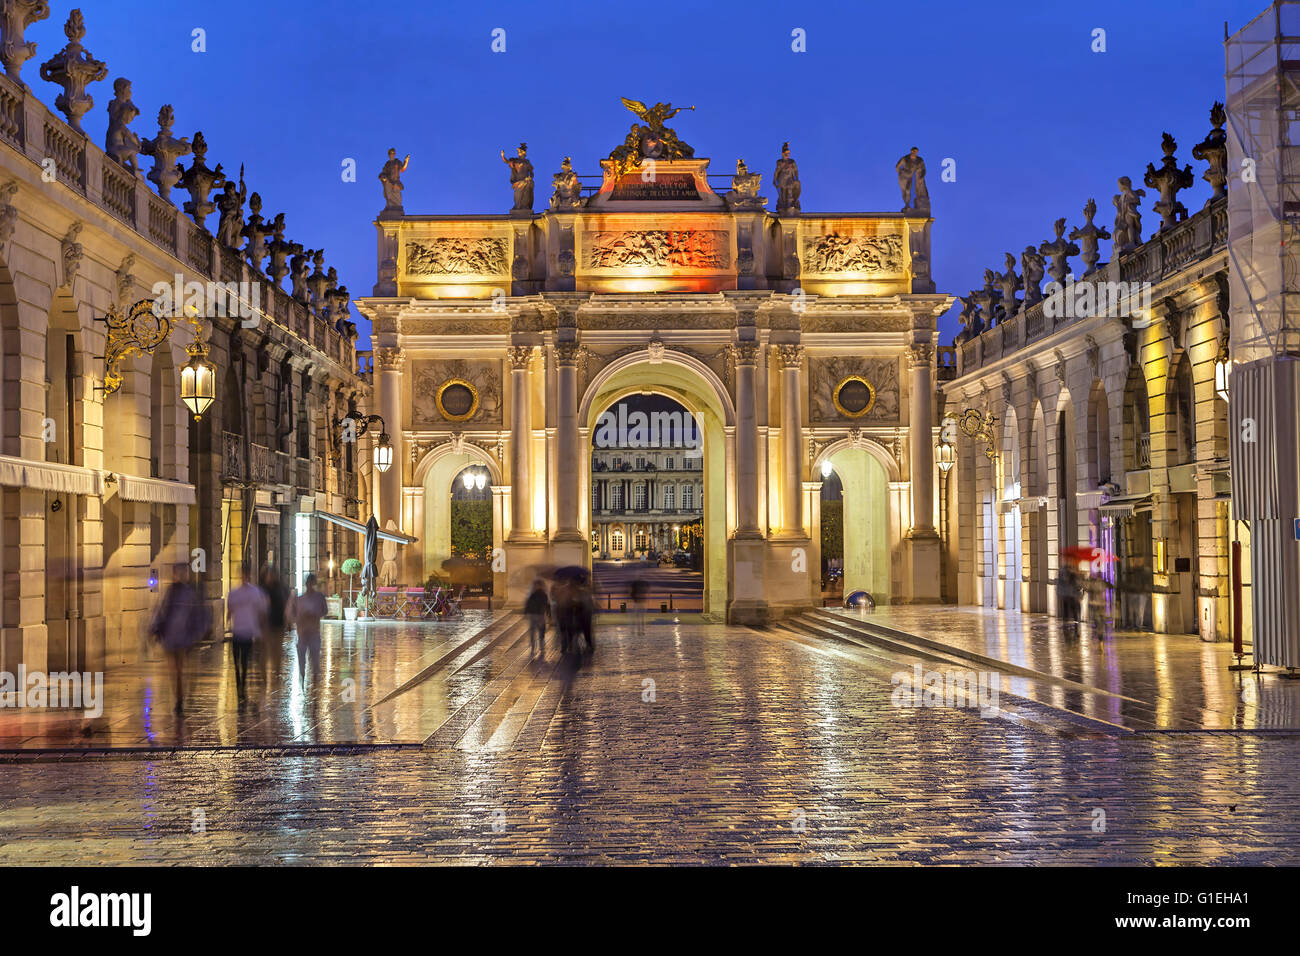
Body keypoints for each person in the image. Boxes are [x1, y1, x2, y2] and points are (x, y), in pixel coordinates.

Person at [150, 563, 206, 714]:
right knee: (174, 671)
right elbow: (160, 610)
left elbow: (197, 613)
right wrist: (155, 629)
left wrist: (197, 632)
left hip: (184, 637)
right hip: (171, 637)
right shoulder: (170, 592)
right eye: (179, 573)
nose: (181, 576)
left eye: (183, 573)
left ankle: (182, 697)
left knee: (180, 670)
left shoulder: (189, 592)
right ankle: (179, 698)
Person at [226, 561, 268, 705]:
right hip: (237, 631)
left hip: (248, 632)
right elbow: (230, 610)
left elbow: (262, 611)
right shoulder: (235, 593)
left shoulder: (254, 592)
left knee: (243, 661)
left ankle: (242, 685)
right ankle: (240, 684)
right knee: (237, 662)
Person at [288, 573, 328, 688]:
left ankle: (314, 681)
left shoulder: (319, 597)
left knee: (315, 658)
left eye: (312, 583)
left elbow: (325, 611)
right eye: (309, 583)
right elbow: (293, 615)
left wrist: (314, 615)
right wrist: (298, 618)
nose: (310, 585)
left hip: (314, 632)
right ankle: (302, 678)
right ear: (306, 584)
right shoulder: (300, 599)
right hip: (302, 633)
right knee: (302, 658)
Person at [260, 565, 288, 689]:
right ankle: (264, 677)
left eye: (272, 574)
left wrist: (287, 621)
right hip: (265, 625)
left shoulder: (281, 589)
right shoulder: (262, 589)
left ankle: (276, 673)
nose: (271, 577)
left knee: (277, 652)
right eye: (269, 574)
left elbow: (286, 605)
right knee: (264, 652)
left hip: (278, 624)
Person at [524, 578, 550, 656]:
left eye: (538, 585)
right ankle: (533, 646)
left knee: (541, 631)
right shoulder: (533, 594)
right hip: (534, 614)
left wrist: (548, 613)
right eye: (536, 585)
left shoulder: (542, 594)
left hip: (539, 615)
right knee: (533, 631)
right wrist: (526, 612)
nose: (537, 586)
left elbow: (546, 604)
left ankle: (541, 646)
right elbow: (528, 604)